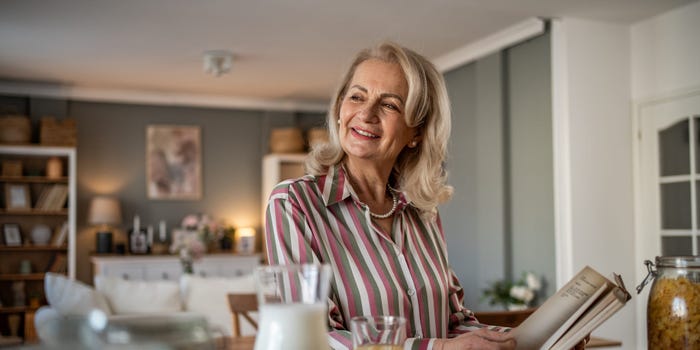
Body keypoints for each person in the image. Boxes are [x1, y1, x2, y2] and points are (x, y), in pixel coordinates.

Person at [265, 42, 584, 350]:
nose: (366, 113)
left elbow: (453, 323)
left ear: (416, 131)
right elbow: (313, 337)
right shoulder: (294, 203)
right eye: (357, 97)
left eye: (389, 105)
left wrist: (536, 339)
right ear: (339, 109)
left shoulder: (422, 213)